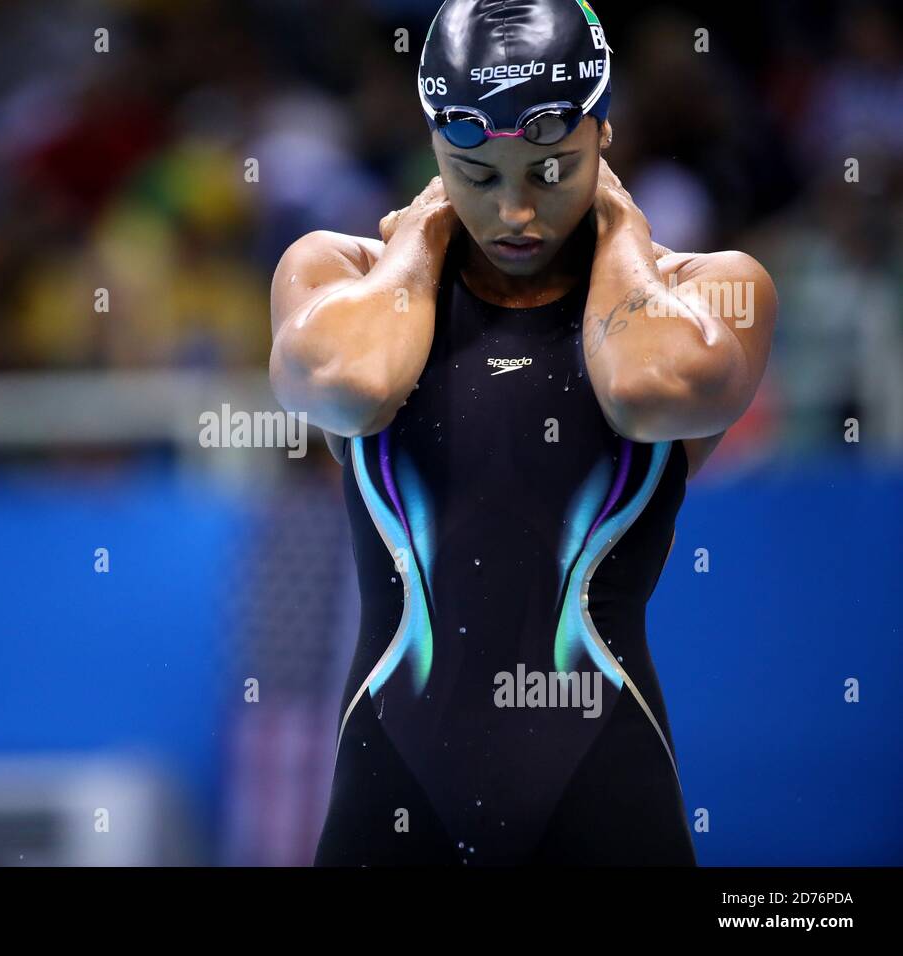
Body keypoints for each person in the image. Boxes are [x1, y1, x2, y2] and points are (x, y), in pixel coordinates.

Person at [269, 0, 777, 865]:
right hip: (390, 806)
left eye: (550, 170)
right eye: (474, 172)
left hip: (608, 796)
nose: (514, 213)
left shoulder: (713, 288)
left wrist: (622, 229)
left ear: (603, 133)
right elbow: (357, 387)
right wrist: (424, 237)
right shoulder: (334, 269)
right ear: (433, 148)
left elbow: (648, 391)